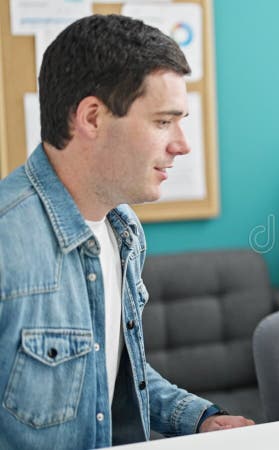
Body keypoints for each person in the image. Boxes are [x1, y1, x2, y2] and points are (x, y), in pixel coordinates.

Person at [0, 14, 253, 449]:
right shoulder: (7, 242)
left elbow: (110, 374)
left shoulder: (124, 230)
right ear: (93, 118)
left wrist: (199, 420)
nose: (182, 143)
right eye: (162, 121)